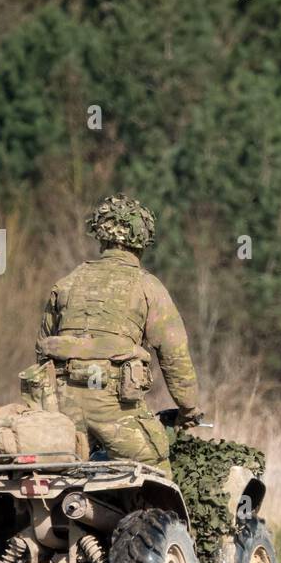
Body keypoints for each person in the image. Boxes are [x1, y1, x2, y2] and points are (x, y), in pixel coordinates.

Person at [26, 193, 199, 466]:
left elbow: (42, 350)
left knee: (59, 471)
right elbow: (174, 355)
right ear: (143, 240)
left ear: (100, 234)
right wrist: (188, 409)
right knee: (155, 466)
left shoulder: (68, 282)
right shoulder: (148, 287)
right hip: (115, 407)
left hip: (58, 407)